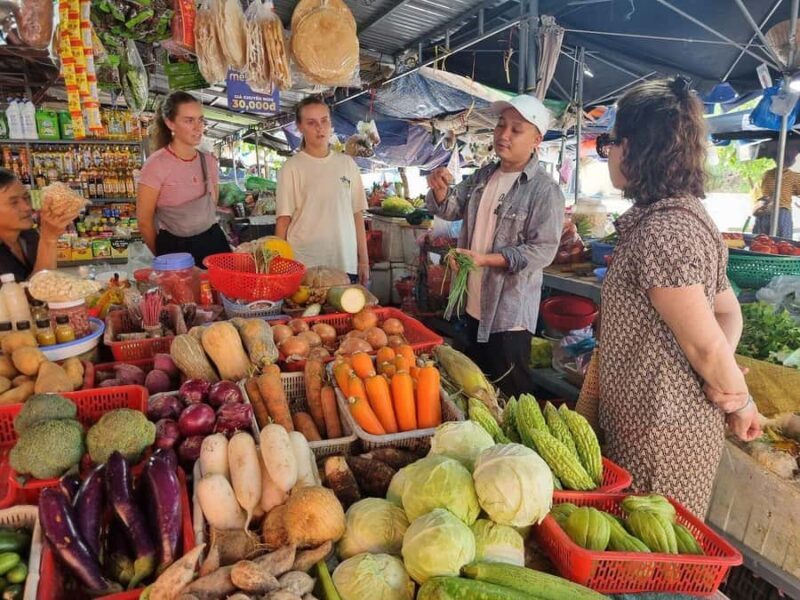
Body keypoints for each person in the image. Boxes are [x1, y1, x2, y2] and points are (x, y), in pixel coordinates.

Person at [595, 76, 761, 516]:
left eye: (608, 143)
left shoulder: (664, 231)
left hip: (658, 438)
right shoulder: (688, 216)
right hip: (665, 424)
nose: (607, 153)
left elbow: (705, 343)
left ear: (632, 147)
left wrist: (738, 398)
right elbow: (727, 313)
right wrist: (713, 379)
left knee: (649, 561)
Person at [426, 94, 565, 398]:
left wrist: (488, 260)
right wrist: (438, 190)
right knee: (476, 391)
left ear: (536, 139)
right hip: (474, 303)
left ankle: (514, 446)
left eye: (516, 129)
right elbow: (450, 208)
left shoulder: (545, 191)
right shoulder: (483, 176)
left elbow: (543, 250)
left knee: (510, 394)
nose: (503, 134)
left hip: (509, 314)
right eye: (501, 125)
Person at [276, 96, 369, 284]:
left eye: (324, 120)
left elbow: (357, 214)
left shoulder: (347, 164)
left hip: (344, 263)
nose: (320, 128)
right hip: (305, 265)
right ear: (300, 127)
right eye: (311, 123)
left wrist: (364, 261)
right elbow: (283, 220)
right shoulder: (291, 167)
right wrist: (280, 267)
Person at [137, 91, 230, 266]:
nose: (198, 127)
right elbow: (144, 221)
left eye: (200, 120)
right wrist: (164, 258)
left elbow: (213, 201)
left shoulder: (208, 161)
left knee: (220, 292)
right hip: (175, 250)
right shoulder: (156, 165)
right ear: (170, 123)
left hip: (213, 245)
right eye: (189, 120)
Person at [0, 168, 76, 281]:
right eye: (14, 202)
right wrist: (49, 239)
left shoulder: (28, 235)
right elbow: (30, 293)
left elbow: (48, 283)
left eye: (26, 197)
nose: (27, 207)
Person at [753, 147, 800, 239]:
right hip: (774, 210)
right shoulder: (792, 176)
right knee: (779, 242)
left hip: (773, 210)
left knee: (765, 241)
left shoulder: (767, 174)